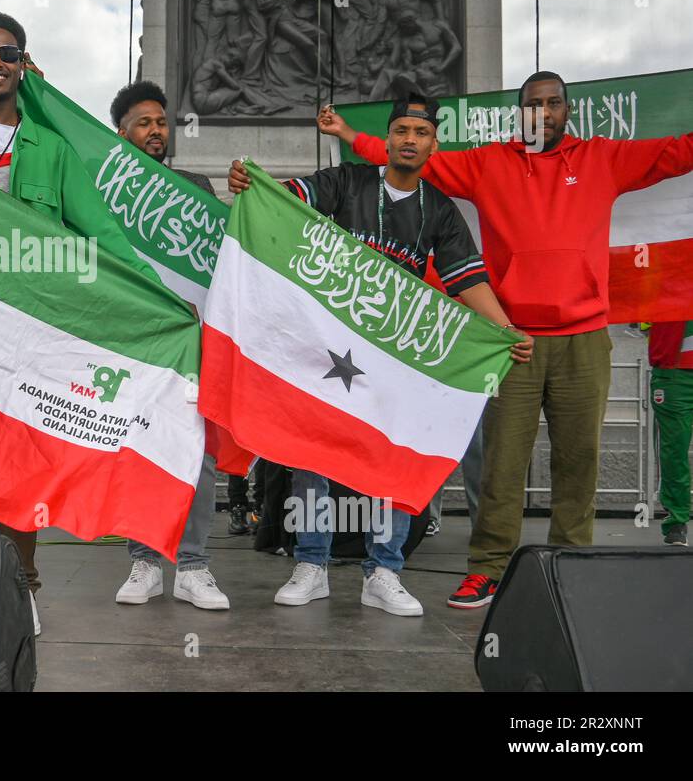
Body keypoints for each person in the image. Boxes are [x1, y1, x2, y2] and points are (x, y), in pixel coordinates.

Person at [332, 71, 693, 607]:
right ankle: (488, 569)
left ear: (567, 111)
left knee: (579, 460)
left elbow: (675, 154)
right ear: (518, 112)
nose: (542, 113)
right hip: (511, 341)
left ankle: (572, 565)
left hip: (585, 339)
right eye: (532, 105)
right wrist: (347, 133)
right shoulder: (487, 165)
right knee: (503, 461)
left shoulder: (602, 159)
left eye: (552, 104)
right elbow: (414, 157)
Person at [0, 12, 167, 633]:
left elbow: (102, 237)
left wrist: (158, 300)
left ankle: (22, 588)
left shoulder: (54, 151)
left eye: (8, 53)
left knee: (17, 460)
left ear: (23, 65)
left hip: (24, 327)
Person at [229, 93, 532, 616]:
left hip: (396, 357)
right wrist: (252, 184)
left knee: (393, 457)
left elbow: (467, 278)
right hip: (331, 346)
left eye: (420, 133)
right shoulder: (347, 180)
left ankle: (384, 573)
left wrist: (505, 328)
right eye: (401, 131)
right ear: (387, 139)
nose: (409, 140)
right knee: (312, 455)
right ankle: (311, 564)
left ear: (434, 143)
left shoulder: (439, 209)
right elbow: (289, 198)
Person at [106, 80, 230, 610]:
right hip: (132, 341)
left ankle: (194, 565)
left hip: (188, 344)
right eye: (144, 123)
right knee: (139, 447)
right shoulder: (104, 193)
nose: (156, 131)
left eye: (161, 122)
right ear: (121, 133)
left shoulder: (196, 186)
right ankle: (144, 561)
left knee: (195, 454)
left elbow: (224, 257)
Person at [647, 321, 693, 546]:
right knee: (675, 451)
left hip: (673, 371)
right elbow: (643, 318)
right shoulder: (660, 283)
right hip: (674, 372)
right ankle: (676, 522)